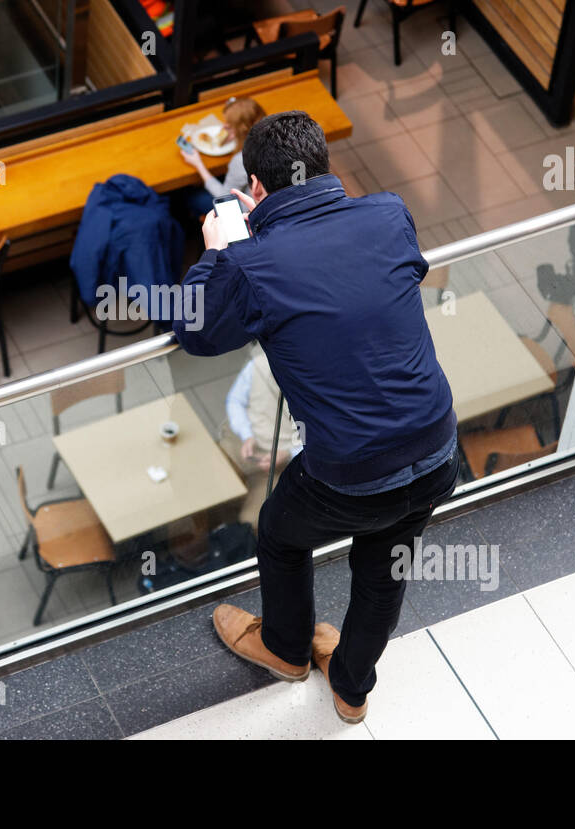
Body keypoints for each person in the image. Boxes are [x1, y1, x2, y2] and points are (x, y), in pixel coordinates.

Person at [171, 111, 459, 724]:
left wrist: (221, 253)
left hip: (352, 471)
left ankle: (285, 648)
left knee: (279, 531)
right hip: (438, 447)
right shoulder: (388, 213)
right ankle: (352, 690)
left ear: (254, 190)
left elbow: (192, 330)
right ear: (325, 166)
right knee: (386, 565)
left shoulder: (252, 264)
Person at [220, 345, 302, 527]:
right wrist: (246, 434)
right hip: (242, 444)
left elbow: (319, 440)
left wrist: (289, 454)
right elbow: (235, 400)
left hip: (282, 466)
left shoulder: (316, 385)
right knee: (213, 490)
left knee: (253, 521)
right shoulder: (260, 363)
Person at [179, 97, 266, 217]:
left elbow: (226, 198)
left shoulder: (241, 160)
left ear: (240, 131)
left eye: (229, 126)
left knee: (191, 196)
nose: (224, 127)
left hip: (245, 211)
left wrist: (199, 165)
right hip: (268, 203)